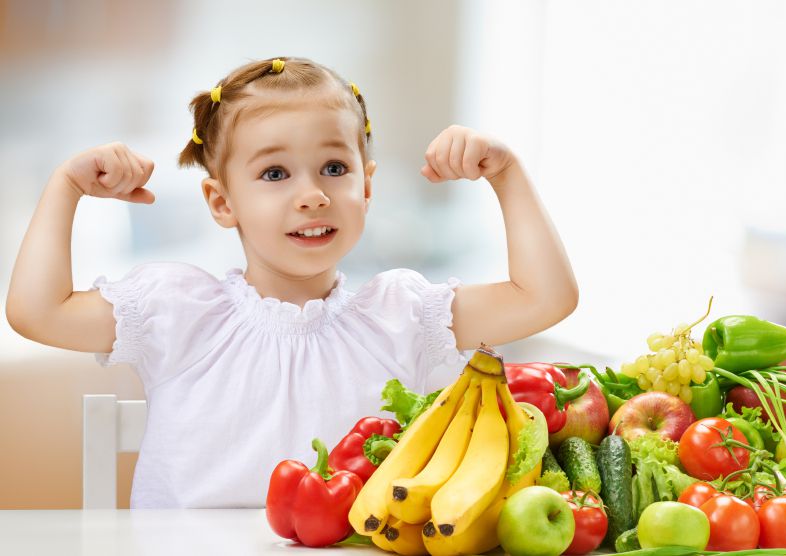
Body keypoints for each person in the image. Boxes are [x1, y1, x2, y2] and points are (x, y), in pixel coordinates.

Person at [6, 57, 578, 508]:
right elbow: (38, 311)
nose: (313, 194)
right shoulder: (177, 310)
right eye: (275, 173)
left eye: (335, 168)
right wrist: (66, 188)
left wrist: (507, 174)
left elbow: (546, 297)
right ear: (222, 201)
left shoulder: (403, 316)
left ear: (367, 187)